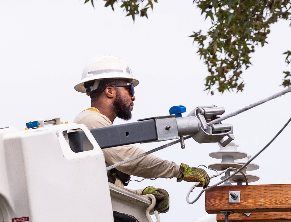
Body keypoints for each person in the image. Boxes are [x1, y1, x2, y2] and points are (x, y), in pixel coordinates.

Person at [73, 55, 210, 212]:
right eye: (129, 88)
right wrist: (179, 171)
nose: (133, 96)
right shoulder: (90, 121)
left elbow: (103, 189)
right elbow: (130, 159)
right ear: (110, 91)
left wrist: (143, 196)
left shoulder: (95, 122)